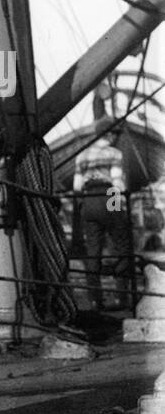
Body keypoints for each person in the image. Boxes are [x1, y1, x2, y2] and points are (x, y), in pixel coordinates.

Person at [74, 118, 134, 311]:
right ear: (109, 134)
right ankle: (121, 298)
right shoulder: (114, 154)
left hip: (89, 200)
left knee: (93, 251)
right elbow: (117, 183)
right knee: (121, 245)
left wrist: (84, 205)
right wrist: (119, 208)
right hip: (109, 195)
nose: (116, 138)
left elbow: (76, 187)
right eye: (115, 134)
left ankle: (95, 300)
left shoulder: (81, 156)